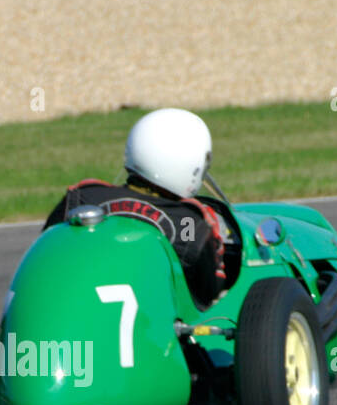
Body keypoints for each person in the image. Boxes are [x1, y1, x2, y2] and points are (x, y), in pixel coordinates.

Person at [43, 108, 228, 306]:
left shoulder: (82, 198)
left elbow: (44, 257)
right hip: (147, 330)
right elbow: (209, 292)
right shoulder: (187, 222)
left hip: (66, 313)